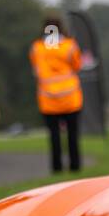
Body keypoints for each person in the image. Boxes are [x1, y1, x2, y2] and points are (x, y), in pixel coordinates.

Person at [29, 16, 83, 172]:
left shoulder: (37, 48)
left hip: (48, 99)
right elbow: (77, 65)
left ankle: (57, 167)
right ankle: (75, 166)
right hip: (70, 97)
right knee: (72, 135)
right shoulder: (69, 46)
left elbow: (36, 69)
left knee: (54, 136)